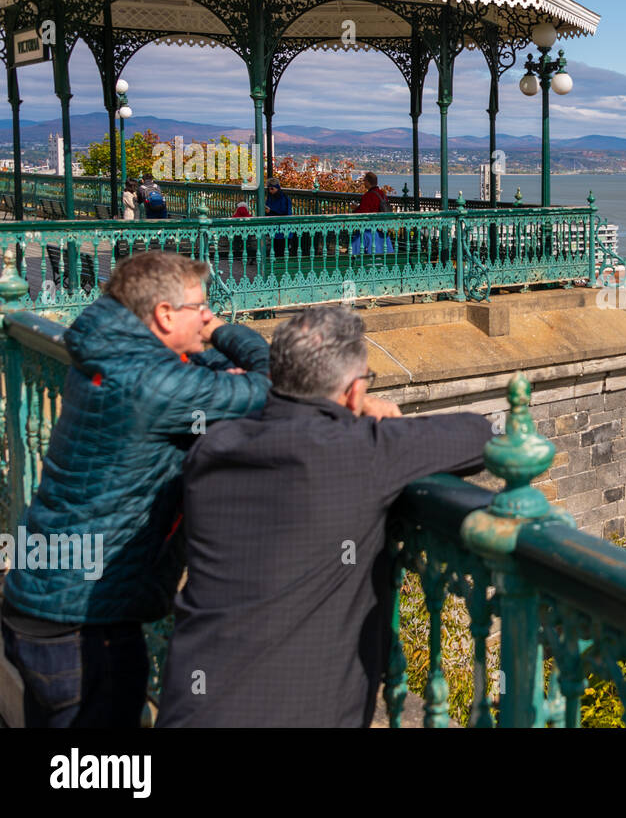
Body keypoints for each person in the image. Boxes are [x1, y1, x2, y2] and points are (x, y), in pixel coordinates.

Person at [157, 306, 494, 727]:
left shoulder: (214, 445)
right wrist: (374, 417)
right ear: (354, 391)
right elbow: (479, 435)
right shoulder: (363, 452)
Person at [1, 251, 273, 727]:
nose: (206, 315)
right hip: (85, 627)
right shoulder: (153, 384)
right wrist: (223, 334)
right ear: (165, 314)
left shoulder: (109, 350)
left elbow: (182, 377)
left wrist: (206, 360)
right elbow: (275, 384)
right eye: (200, 308)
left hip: (39, 596)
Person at [351, 171, 394, 254]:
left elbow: (362, 212)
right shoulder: (382, 194)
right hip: (381, 228)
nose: (363, 183)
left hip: (370, 228)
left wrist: (355, 209)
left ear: (367, 182)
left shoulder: (368, 196)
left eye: (364, 181)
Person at [265, 181, 295, 257]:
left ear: (277, 188)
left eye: (272, 189)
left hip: (284, 228)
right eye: (269, 189)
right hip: (274, 228)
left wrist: (270, 211)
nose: (270, 191)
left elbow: (285, 213)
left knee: (282, 250)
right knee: (276, 249)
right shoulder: (270, 198)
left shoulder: (284, 198)